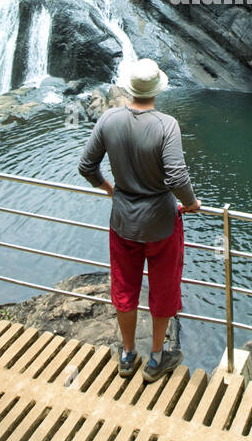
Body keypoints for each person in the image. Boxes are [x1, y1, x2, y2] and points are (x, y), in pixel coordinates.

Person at [78, 58, 203, 382]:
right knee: (163, 289)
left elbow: (86, 166)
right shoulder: (166, 125)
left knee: (124, 286)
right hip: (161, 223)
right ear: (157, 89)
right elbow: (176, 176)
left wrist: (110, 189)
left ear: (130, 87)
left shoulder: (108, 119)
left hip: (122, 220)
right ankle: (157, 359)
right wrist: (191, 203)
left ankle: (127, 353)